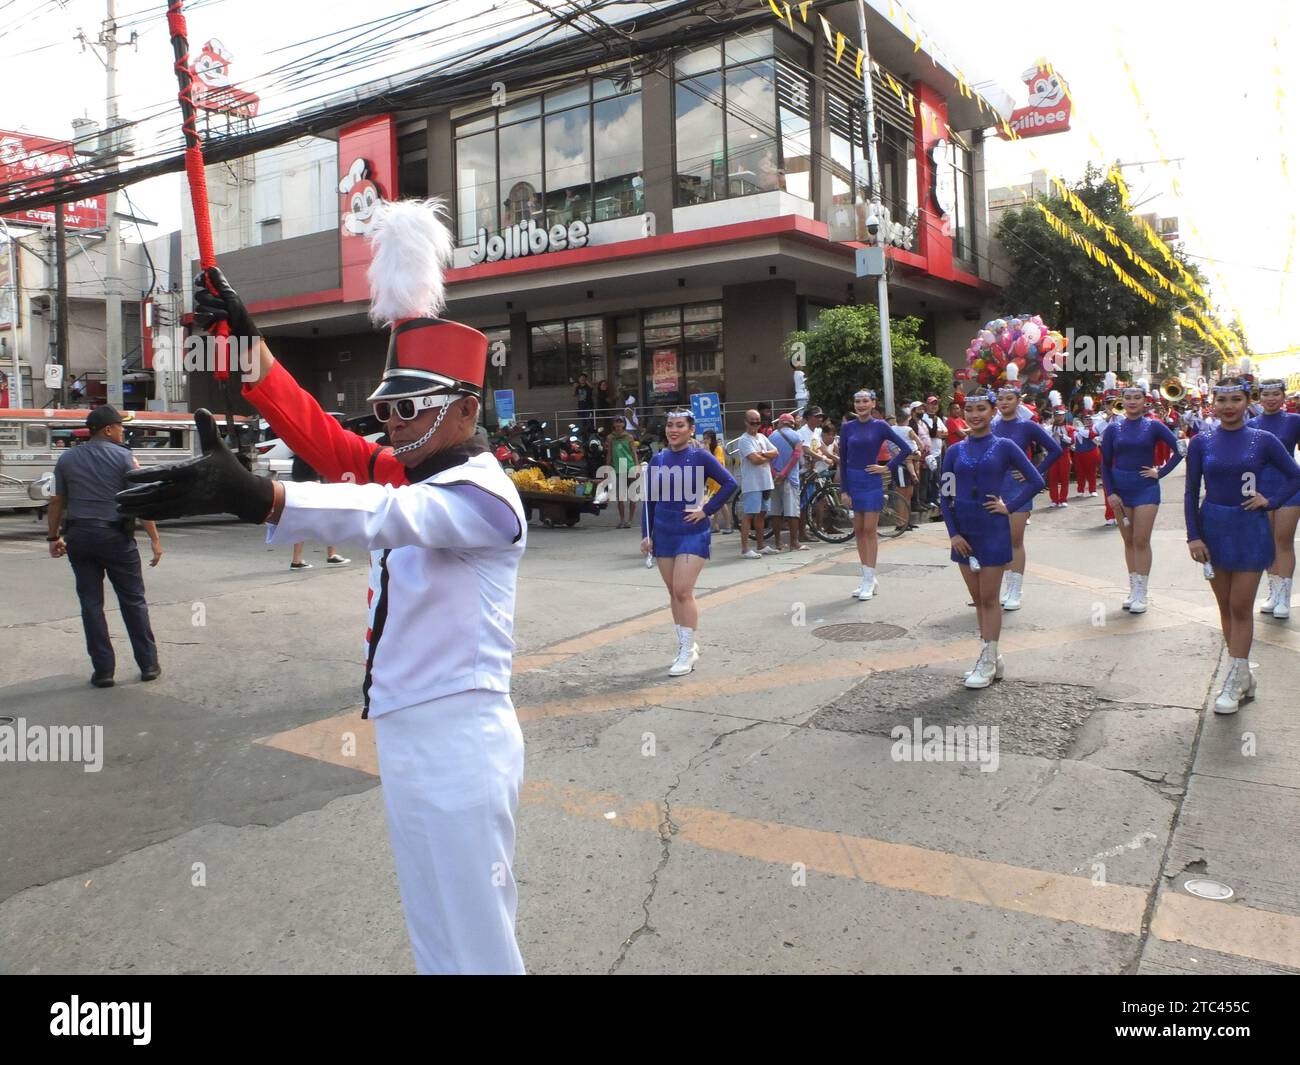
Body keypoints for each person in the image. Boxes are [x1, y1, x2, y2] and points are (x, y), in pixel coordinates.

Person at [123, 201, 528, 975]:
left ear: (467, 410)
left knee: (481, 952)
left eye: (408, 409)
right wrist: (248, 352)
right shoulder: (410, 467)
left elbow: (387, 514)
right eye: (385, 409)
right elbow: (324, 438)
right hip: (408, 737)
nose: (391, 426)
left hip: (458, 740)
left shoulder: (484, 495)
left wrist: (262, 498)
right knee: (437, 945)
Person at [1184, 376, 1300, 712]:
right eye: (1222, 400)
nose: (1229, 407)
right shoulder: (1201, 442)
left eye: (1236, 399)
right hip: (1213, 528)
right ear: (1213, 404)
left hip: (1250, 529)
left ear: (1247, 401)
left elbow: (1295, 474)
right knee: (1224, 608)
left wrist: (1272, 500)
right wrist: (1194, 535)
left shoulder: (1262, 440)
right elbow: (1192, 491)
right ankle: (1243, 673)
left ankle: (1234, 680)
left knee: (1239, 606)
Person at [47, 405, 163, 688]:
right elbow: (140, 499)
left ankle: (103, 671)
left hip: (80, 538)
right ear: (108, 429)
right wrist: (155, 540)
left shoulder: (67, 459)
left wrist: (53, 538)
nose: (123, 431)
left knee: (91, 604)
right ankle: (148, 664)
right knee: (132, 600)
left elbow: (57, 501)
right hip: (116, 539)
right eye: (120, 426)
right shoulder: (124, 458)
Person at [939, 390, 1046, 688]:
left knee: (989, 599)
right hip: (964, 532)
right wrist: (953, 534)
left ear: (991, 412)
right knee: (978, 600)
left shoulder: (1005, 446)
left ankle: (986, 660)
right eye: (969, 409)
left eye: (981, 409)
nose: (975, 415)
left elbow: (1037, 480)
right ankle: (993, 656)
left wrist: (1008, 506)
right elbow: (945, 495)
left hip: (993, 529)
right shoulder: (954, 451)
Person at [640, 409, 736, 675]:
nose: (673, 429)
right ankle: (686, 645)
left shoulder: (700, 456)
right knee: (673, 592)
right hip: (663, 532)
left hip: (692, 531)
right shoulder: (658, 459)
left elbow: (729, 483)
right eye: (670, 425)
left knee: (683, 590)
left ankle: (687, 651)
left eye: (680, 425)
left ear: (690, 429)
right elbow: (649, 501)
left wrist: (707, 509)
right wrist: (645, 535)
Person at [1100, 383, 1183, 613]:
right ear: (1122, 401)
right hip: (1120, 489)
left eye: (1137, 397)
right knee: (1128, 540)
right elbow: (1105, 464)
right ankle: (1133, 588)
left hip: (1146, 488)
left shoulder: (1154, 426)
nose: (1133, 401)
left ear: (1144, 401)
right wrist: (1111, 493)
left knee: (1141, 540)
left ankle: (1142, 593)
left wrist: (1161, 472)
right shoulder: (1113, 429)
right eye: (1129, 397)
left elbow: (1180, 449)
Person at [990, 382, 1062, 611]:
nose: (1003, 402)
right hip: (994, 487)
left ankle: (1015, 590)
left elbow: (1055, 450)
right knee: (997, 540)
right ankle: (1003, 587)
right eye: (1000, 399)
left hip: (1019, 488)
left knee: (1014, 539)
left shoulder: (1027, 427)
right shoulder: (991, 426)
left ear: (1018, 401)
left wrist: (1033, 471)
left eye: (1008, 398)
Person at [839, 389, 914, 599]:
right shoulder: (847, 428)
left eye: (865, 401)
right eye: (857, 401)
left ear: (873, 403)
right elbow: (842, 460)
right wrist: (844, 490)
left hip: (871, 480)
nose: (861, 405)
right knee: (859, 531)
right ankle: (866, 576)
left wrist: (887, 467)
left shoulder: (880, 425)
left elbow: (905, 448)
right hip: (852, 481)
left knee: (870, 530)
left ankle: (870, 579)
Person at [1248, 378, 1300, 619]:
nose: (1270, 398)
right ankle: (1274, 592)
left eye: (1275, 394)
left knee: (1284, 540)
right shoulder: (1251, 423)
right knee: (1267, 542)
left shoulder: (1294, 421)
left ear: (1283, 396)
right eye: (1265, 394)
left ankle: (1284, 597)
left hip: (1289, 486)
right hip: (1261, 488)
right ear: (1259, 397)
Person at [288, 452, 350, 570]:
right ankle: (331, 555)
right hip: (310, 479)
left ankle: (298, 559)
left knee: (304, 519)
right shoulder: (309, 448)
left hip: (302, 476)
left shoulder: (299, 448)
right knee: (329, 514)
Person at [736, 409, 778, 558]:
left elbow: (776, 452)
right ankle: (745, 549)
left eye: (758, 421)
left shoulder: (761, 437)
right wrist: (767, 456)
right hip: (752, 484)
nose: (755, 424)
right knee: (749, 515)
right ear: (746, 422)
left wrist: (762, 455)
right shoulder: (744, 440)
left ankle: (760, 546)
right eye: (752, 421)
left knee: (762, 514)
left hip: (766, 482)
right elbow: (754, 460)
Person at [769, 412, 806, 551]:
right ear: (792, 423)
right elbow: (797, 456)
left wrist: (776, 474)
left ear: (779, 423)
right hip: (790, 478)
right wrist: (784, 473)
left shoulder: (771, 436)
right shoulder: (797, 436)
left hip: (774, 479)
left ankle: (778, 542)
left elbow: (767, 458)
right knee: (792, 512)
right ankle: (794, 543)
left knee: (776, 511)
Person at [607, 416, 640, 529]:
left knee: (632, 496)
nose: (618, 424)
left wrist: (637, 467)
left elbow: (634, 453)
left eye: (620, 422)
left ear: (624, 424)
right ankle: (622, 520)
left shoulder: (629, 437)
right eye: (616, 422)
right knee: (620, 497)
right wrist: (607, 468)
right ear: (613, 424)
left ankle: (629, 520)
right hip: (619, 469)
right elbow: (609, 453)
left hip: (630, 467)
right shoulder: (610, 438)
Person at [700, 429, 732, 534]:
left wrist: (708, 450)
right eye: (704, 438)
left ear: (712, 439)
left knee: (722, 503)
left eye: (707, 439)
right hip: (710, 481)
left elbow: (717, 462)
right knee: (713, 503)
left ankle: (728, 526)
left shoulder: (718, 449)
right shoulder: (705, 449)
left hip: (718, 481)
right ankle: (715, 525)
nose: (705, 441)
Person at [1046, 407, 1074, 507]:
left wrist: (1062, 436)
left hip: (1064, 453)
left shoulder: (1069, 428)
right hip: (1052, 454)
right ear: (1054, 416)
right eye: (1058, 415)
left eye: (1062, 415)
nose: (1060, 417)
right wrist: (1051, 435)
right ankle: (1054, 500)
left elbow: (1071, 441)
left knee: (1064, 477)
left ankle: (1063, 499)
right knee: (1052, 477)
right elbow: (1043, 440)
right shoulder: (1048, 428)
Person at [1073, 408, 1101, 497]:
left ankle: (1092, 490)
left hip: (1090, 452)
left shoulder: (1094, 429)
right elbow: (1073, 440)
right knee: (1079, 472)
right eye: (1086, 419)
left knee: (1091, 472)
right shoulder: (1078, 429)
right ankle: (1080, 490)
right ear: (1083, 420)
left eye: (1090, 419)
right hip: (1078, 453)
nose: (1088, 421)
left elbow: (1095, 439)